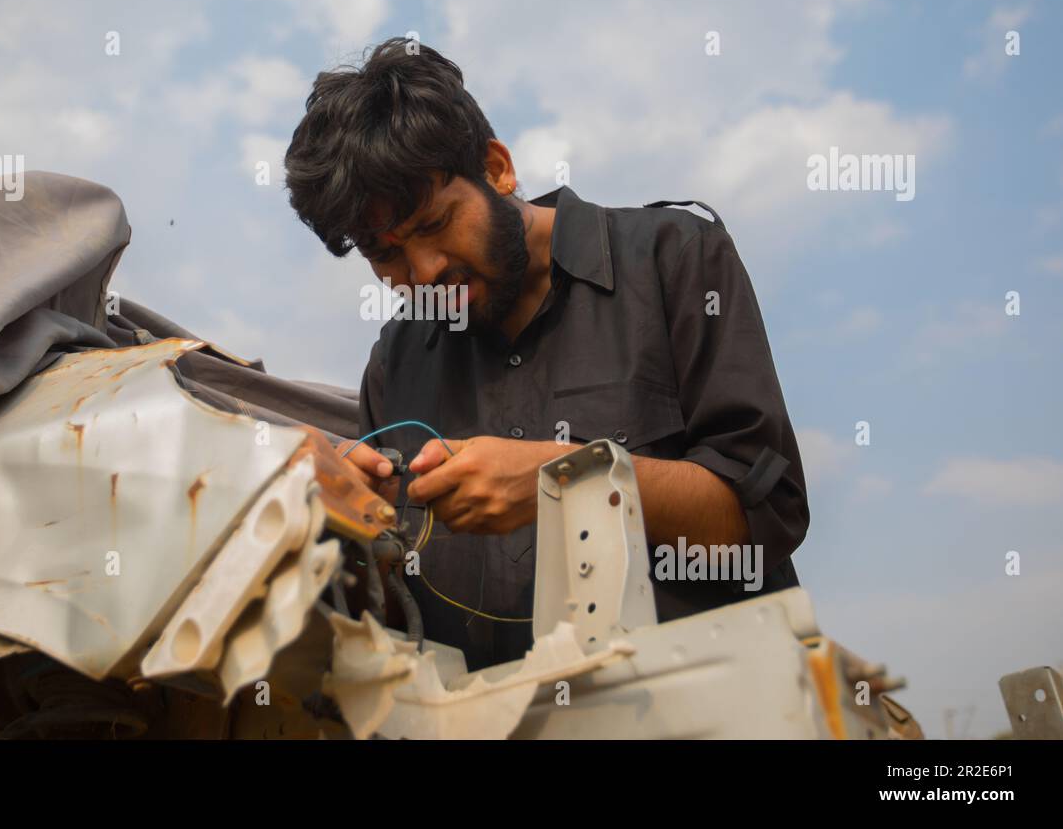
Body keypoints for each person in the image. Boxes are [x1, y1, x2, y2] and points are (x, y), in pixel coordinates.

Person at [284, 37, 810, 669]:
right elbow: (396, 614)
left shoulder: (673, 258)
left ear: (498, 168)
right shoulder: (396, 361)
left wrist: (562, 479)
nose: (423, 273)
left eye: (434, 224)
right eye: (385, 253)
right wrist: (332, 521)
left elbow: (763, 517)